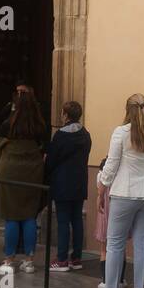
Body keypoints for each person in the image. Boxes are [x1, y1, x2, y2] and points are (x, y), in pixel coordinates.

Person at [90, 94, 144, 288]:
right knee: (143, 242)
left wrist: (101, 190)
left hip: (124, 192)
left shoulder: (121, 132)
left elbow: (111, 165)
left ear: (127, 109)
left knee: (115, 242)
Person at [0, 90, 47, 275]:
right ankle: (29, 260)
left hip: (9, 171)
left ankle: (8, 260)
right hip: (33, 172)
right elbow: (44, 147)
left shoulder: (9, 123)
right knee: (29, 215)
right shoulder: (39, 125)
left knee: (12, 215)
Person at [46, 101, 92, 272]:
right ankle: (76, 258)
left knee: (63, 221)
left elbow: (52, 160)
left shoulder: (60, 136)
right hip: (79, 181)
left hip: (62, 183)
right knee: (77, 219)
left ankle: (62, 259)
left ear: (65, 114)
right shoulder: (85, 134)